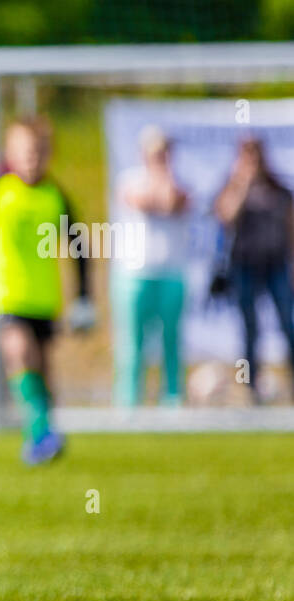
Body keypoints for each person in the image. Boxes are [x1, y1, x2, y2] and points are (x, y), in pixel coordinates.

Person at [0, 119, 92, 465]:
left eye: (40, 152)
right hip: (4, 292)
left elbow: (79, 247)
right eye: (27, 152)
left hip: (43, 295)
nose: (33, 159)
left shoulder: (55, 196)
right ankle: (41, 431)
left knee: (43, 369)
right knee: (18, 351)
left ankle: (41, 434)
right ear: (10, 154)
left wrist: (84, 296)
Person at [113, 126, 191, 407]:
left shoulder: (179, 181)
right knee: (133, 343)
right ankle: (129, 402)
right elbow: (144, 202)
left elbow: (172, 202)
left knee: (172, 342)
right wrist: (158, 185)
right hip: (135, 275)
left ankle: (172, 399)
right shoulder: (129, 179)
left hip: (171, 274)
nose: (160, 157)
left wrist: (163, 178)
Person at [214, 136, 294, 400]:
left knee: (287, 323)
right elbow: (225, 216)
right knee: (250, 328)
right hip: (245, 265)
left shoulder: (278, 190)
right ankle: (251, 387)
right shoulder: (233, 187)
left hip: (275, 265)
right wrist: (241, 182)